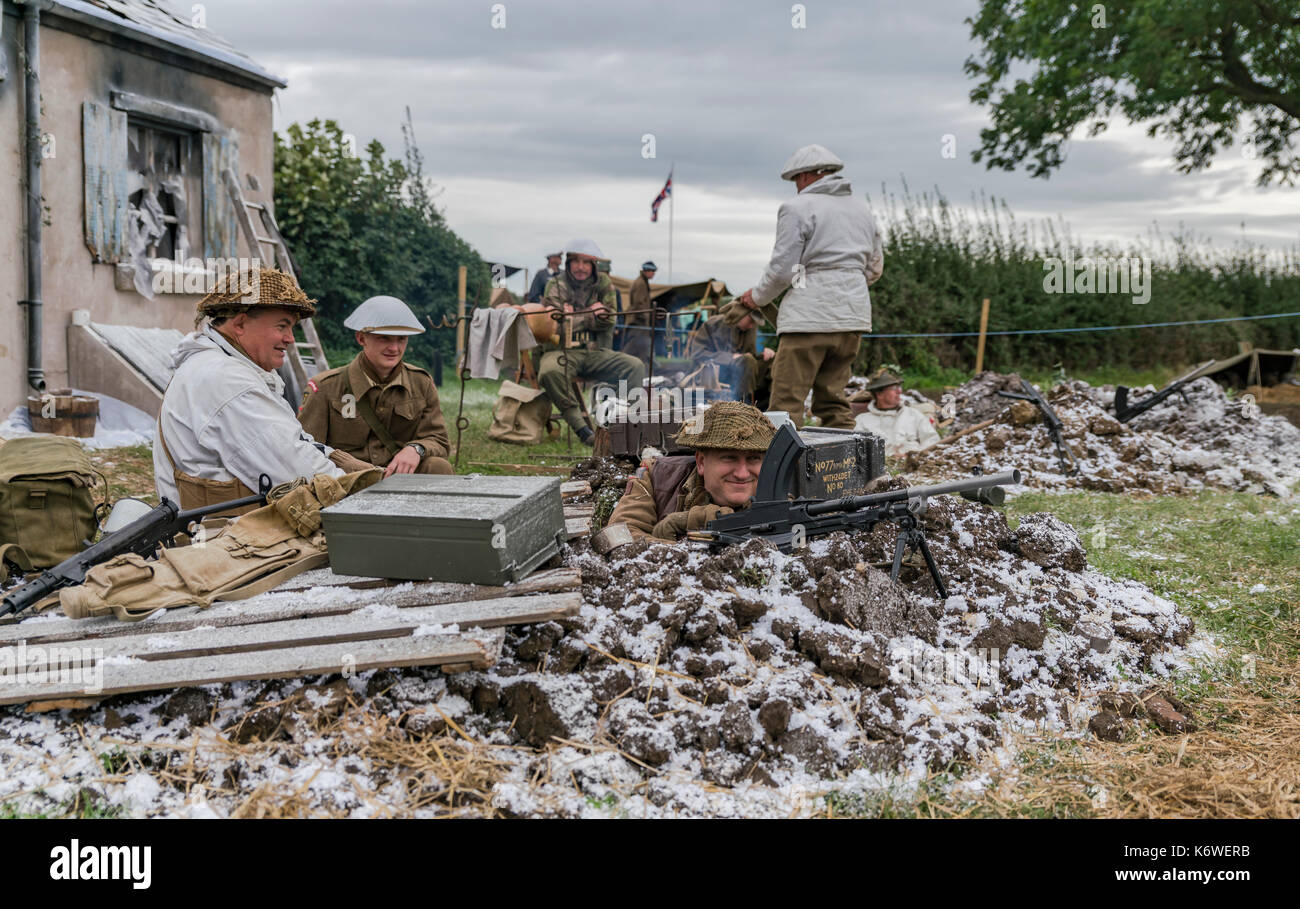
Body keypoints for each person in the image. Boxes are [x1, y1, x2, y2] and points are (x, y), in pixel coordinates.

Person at [153, 267, 356, 512]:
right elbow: (295, 470)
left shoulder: (222, 366)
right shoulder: (226, 379)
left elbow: (292, 441)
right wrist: (358, 492)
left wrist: (343, 462)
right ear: (240, 324)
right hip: (222, 536)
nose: (290, 338)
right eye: (282, 326)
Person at [737, 144, 884, 429]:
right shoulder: (863, 210)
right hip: (851, 319)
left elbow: (783, 270)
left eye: (796, 181)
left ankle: (783, 472)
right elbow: (874, 267)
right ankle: (843, 468)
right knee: (834, 401)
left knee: (786, 405)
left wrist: (757, 297)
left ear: (804, 176)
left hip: (807, 321)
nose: (796, 187)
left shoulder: (797, 208)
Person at [298, 295, 454, 477]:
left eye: (401, 339)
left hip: (399, 476)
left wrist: (416, 449)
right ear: (361, 338)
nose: (394, 348)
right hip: (346, 480)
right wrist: (346, 464)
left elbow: (439, 440)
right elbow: (306, 448)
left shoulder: (421, 383)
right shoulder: (326, 387)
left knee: (438, 466)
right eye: (384, 338)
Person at [605, 401, 775, 541]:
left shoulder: (776, 494)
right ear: (701, 462)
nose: (742, 473)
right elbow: (618, 538)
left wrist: (695, 519)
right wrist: (682, 551)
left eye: (753, 458)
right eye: (729, 458)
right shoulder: (656, 476)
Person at [537, 238, 647, 445]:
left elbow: (609, 321)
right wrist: (590, 315)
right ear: (568, 263)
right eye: (576, 262)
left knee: (635, 366)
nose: (581, 267)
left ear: (593, 265)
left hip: (597, 353)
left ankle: (630, 426)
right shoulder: (556, 285)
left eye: (586, 262)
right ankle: (583, 431)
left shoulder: (604, 284)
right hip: (562, 353)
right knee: (549, 371)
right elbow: (555, 327)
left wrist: (572, 317)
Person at [686, 299, 775, 406]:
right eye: (751, 321)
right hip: (713, 374)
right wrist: (730, 357)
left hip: (742, 374)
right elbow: (698, 354)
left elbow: (748, 355)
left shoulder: (749, 330)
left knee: (772, 359)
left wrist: (764, 354)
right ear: (740, 314)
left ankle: (769, 406)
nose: (752, 326)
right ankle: (743, 406)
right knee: (747, 361)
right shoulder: (714, 324)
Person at [852, 370, 939, 457]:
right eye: (894, 389)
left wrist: (915, 456)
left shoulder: (914, 415)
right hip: (880, 468)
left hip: (913, 466)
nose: (899, 392)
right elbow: (855, 450)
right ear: (879, 394)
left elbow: (932, 440)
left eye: (899, 388)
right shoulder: (862, 421)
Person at [621, 260, 659, 365]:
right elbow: (639, 304)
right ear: (646, 271)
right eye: (652, 271)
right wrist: (643, 319)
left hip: (640, 324)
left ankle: (644, 375)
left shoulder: (642, 282)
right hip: (638, 324)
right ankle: (621, 375)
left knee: (642, 352)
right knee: (631, 352)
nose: (653, 274)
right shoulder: (641, 283)